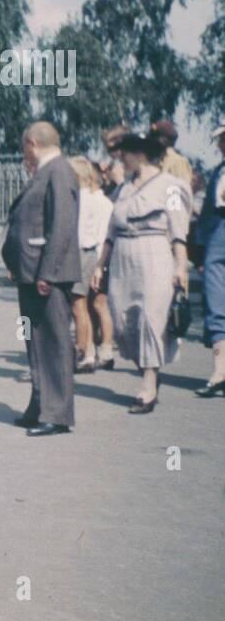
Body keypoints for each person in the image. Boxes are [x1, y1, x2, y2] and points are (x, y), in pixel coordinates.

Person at [90, 130, 191, 414]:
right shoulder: (124, 188)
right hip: (123, 256)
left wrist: (181, 266)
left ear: (140, 154)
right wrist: (101, 265)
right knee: (124, 321)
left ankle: (148, 383)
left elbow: (178, 229)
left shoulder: (170, 186)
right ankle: (148, 369)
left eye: (126, 152)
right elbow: (111, 230)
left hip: (155, 253)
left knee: (150, 318)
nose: (121, 157)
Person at [2, 121, 81, 437]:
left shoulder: (59, 171)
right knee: (35, 343)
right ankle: (40, 405)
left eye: (25, 148)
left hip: (45, 274)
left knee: (53, 344)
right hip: (31, 273)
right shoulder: (48, 171)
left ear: (31, 143)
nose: (25, 154)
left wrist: (47, 272)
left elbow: (61, 227)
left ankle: (57, 415)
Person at [70, 156, 114, 373]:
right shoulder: (91, 199)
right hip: (92, 256)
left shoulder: (86, 200)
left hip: (88, 256)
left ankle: (90, 352)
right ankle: (95, 350)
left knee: (84, 306)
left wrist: (100, 264)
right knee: (88, 306)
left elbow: (97, 234)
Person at [195, 121, 225, 397]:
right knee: (216, 304)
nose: (220, 145)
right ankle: (220, 371)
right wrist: (200, 251)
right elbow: (207, 214)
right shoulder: (219, 171)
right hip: (218, 234)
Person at [151, 118, 194, 186]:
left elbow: (181, 190)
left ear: (164, 140)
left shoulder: (177, 161)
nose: (151, 141)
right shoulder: (156, 161)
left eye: (155, 137)